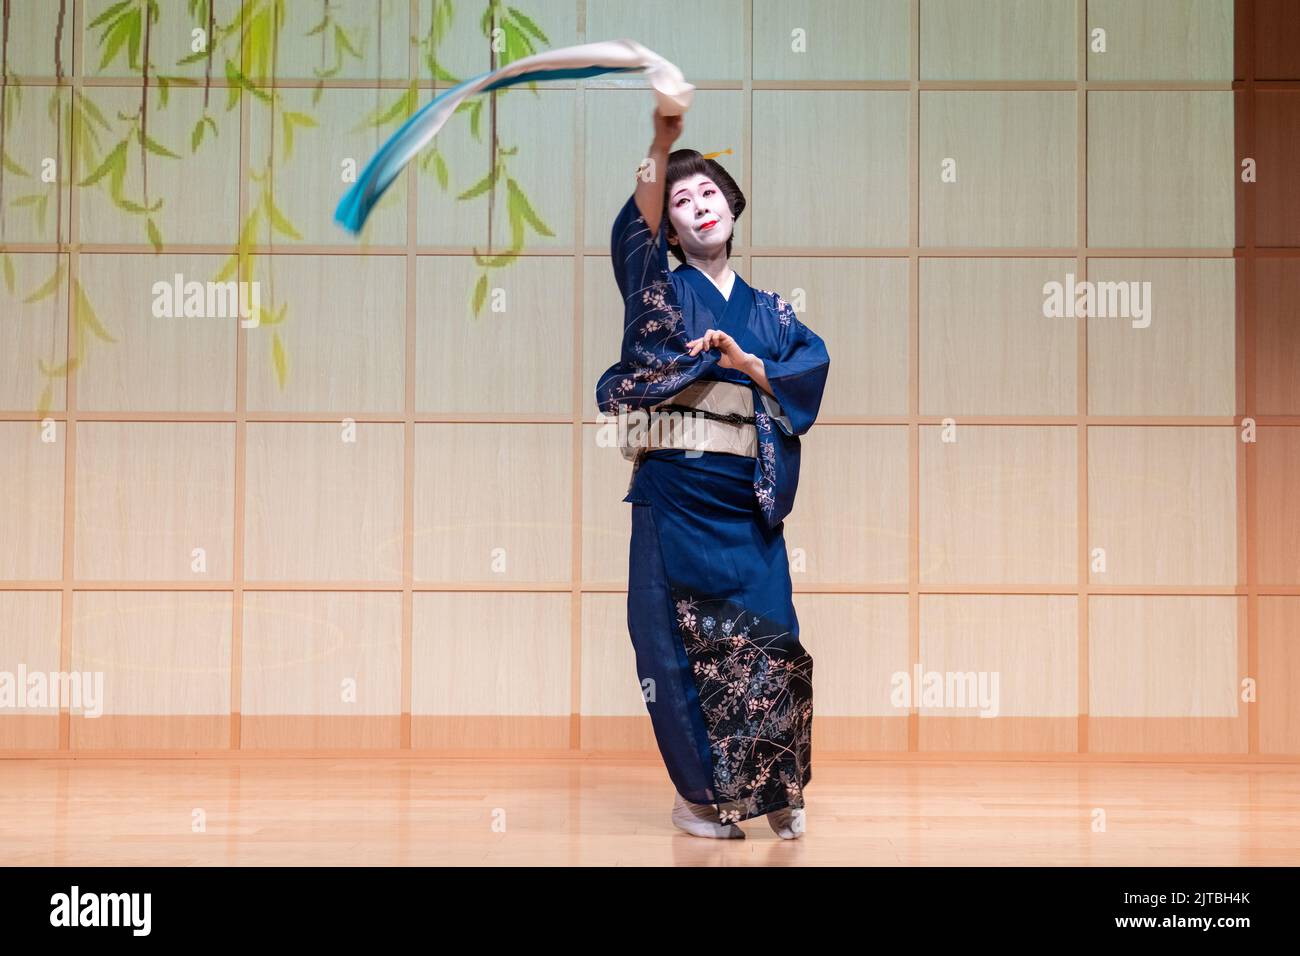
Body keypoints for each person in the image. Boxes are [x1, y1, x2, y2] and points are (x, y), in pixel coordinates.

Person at [595, 108, 831, 839]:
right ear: (666, 229)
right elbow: (634, 218)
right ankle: (700, 798)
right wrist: (662, 141)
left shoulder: (772, 311)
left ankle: (779, 789)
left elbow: (806, 371)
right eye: (680, 200)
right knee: (676, 647)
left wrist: (747, 361)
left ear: (731, 207)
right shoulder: (657, 289)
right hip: (675, 491)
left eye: (708, 194)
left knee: (771, 642)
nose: (697, 206)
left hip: (743, 495)